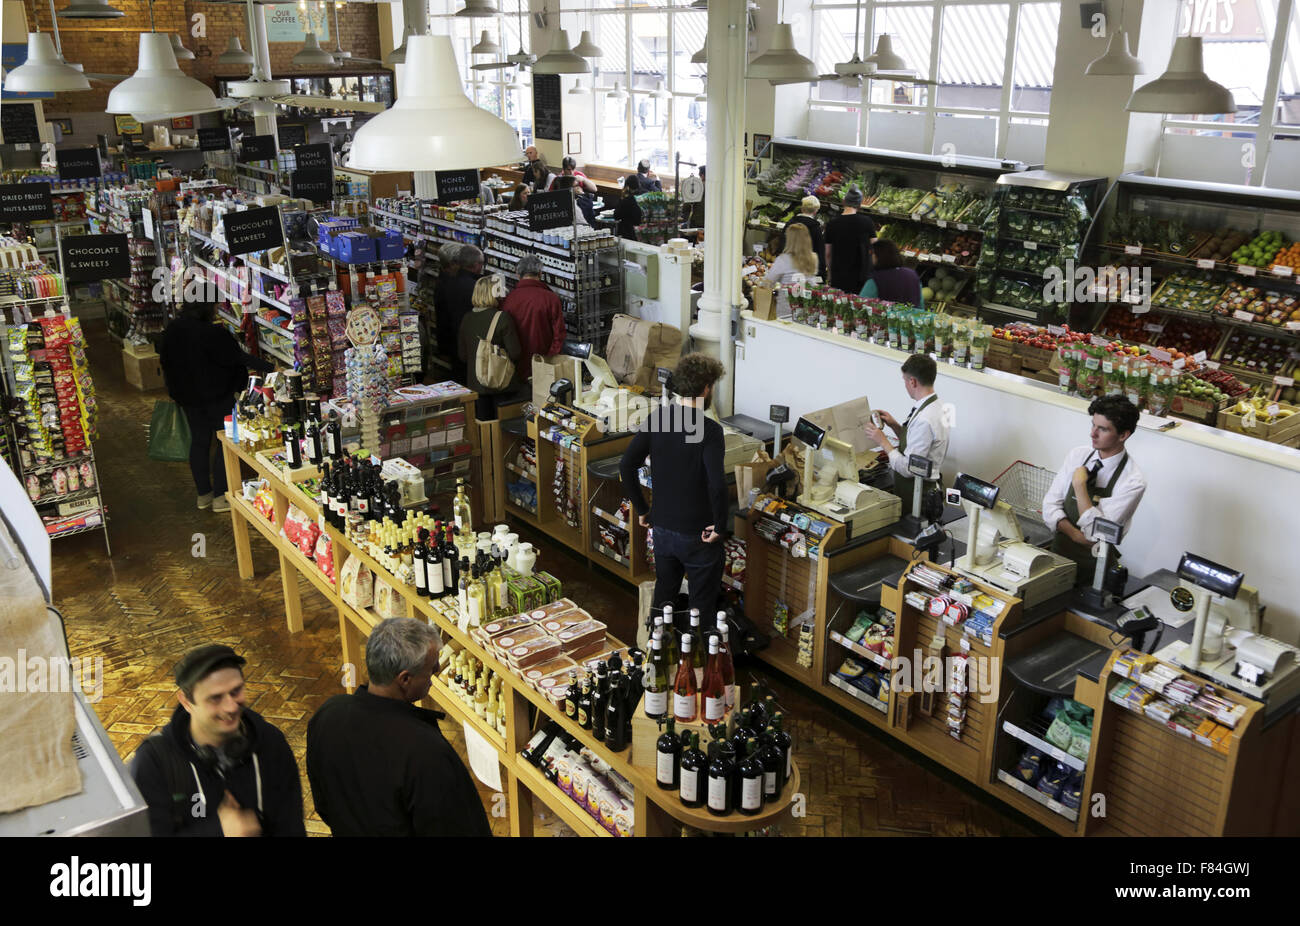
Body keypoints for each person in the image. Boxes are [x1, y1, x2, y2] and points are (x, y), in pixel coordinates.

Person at [305, 618, 492, 837]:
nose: (439, 669)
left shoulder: (328, 715)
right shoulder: (426, 752)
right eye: (431, 668)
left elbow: (323, 802)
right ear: (405, 679)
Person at [130, 644, 305, 837]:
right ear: (186, 702)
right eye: (215, 698)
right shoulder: (154, 763)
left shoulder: (270, 742)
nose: (231, 707)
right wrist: (219, 832)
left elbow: (291, 827)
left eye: (236, 691)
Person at [619, 353, 729, 629]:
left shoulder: (660, 418)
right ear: (706, 389)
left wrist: (643, 509)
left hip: (664, 530)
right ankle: (696, 664)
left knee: (664, 596)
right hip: (699, 535)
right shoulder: (710, 430)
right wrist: (720, 525)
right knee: (701, 609)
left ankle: (655, 655)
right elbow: (717, 484)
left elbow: (626, 465)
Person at [160, 299, 273, 512]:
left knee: (200, 442)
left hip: (188, 398)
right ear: (206, 306)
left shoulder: (173, 330)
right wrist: (271, 367)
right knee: (225, 442)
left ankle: (203, 495)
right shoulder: (213, 334)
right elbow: (237, 358)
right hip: (217, 397)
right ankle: (221, 496)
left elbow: (165, 362)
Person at [1042, 395, 1146, 582]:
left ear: (1123, 435)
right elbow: (1049, 506)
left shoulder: (1132, 482)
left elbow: (1097, 534)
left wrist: (1080, 486)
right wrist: (1076, 535)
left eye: (1103, 429)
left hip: (1094, 573)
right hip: (1057, 559)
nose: (1093, 434)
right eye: (1093, 425)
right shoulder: (1078, 455)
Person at [862, 353, 950, 507]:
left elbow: (908, 468)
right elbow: (918, 441)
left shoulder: (925, 419)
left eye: (905, 381)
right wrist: (894, 425)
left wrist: (883, 441)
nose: (905, 385)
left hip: (918, 494)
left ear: (912, 382)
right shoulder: (937, 406)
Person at [458, 275, 523, 421]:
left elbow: (462, 355)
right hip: (501, 384)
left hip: (476, 384)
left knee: (484, 426)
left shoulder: (467, 318)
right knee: (504, 425)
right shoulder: (502, 317)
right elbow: (515, 352)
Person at [502, 254, 566, 361]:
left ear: (518, 275)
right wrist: (548, 358)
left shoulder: (508, 299)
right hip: (543, 361)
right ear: (540, 274)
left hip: (516, 364)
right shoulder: (551, 298)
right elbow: (559, 335)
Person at [438, 244, 483, 381]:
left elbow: (442, 317)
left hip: (455, 343)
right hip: (473, 345)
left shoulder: (446, 283)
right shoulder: (476, 287)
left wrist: (443, 347)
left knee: (460, 379)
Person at [824, 186, 877, 294]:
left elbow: (828, 253)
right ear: (859, 204)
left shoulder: (832, 224)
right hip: (861, 275)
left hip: (839, 275)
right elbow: (877, 247)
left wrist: (830, 274)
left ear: (844, 202)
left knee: (840, 307)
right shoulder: (867, 222)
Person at [860, 238, 923, 307]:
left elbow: (861, 304)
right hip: (913, 317)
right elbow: (920, 304)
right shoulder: (912, 275)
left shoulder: (876, 279)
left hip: (886, 317)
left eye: (872, 254)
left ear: (877, 256)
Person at [787, 195, 826, 280]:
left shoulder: (790, 223)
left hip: (789, 266)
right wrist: (821, 275)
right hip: (807, 269)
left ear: (802, 208)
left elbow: (783, 243)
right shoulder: (816, 228)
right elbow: (820, 251)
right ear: (815, 211)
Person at [614, 174, 643, 241]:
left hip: (627, 232)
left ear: (627, 186)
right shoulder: (642, 196)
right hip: (640, 231)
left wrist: (621, 199)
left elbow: (616, 215)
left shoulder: (627, 200)